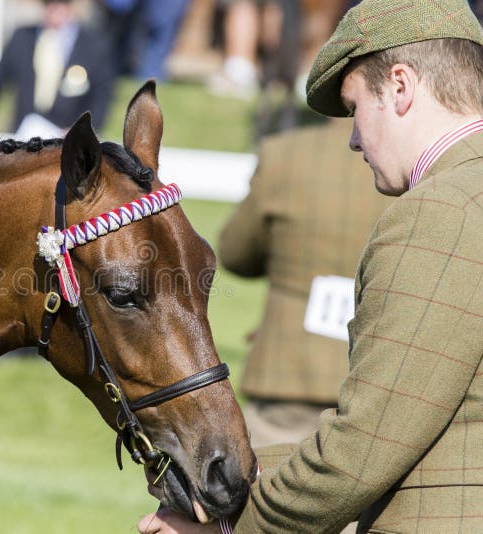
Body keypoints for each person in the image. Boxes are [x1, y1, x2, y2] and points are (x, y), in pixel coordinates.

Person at [138, 0, 483, 532]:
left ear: (399, 86)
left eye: (353, 108)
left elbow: (365, 451)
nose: (351, 139)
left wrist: (223, 519)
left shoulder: (438, 213)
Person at [218, 118, 392, 449]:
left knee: (264, 490)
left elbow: (236, 253)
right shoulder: (418, 162)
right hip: (382, 373)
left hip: (288, 370)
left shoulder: (283, 153)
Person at [0, 0, 116, 139]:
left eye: (61, 4)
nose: (55, 9)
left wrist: (82, 130)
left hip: (68, 139)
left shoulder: (93, 45)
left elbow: (102, 95)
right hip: (24, 136)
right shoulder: (23, 38)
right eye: (49, 4)